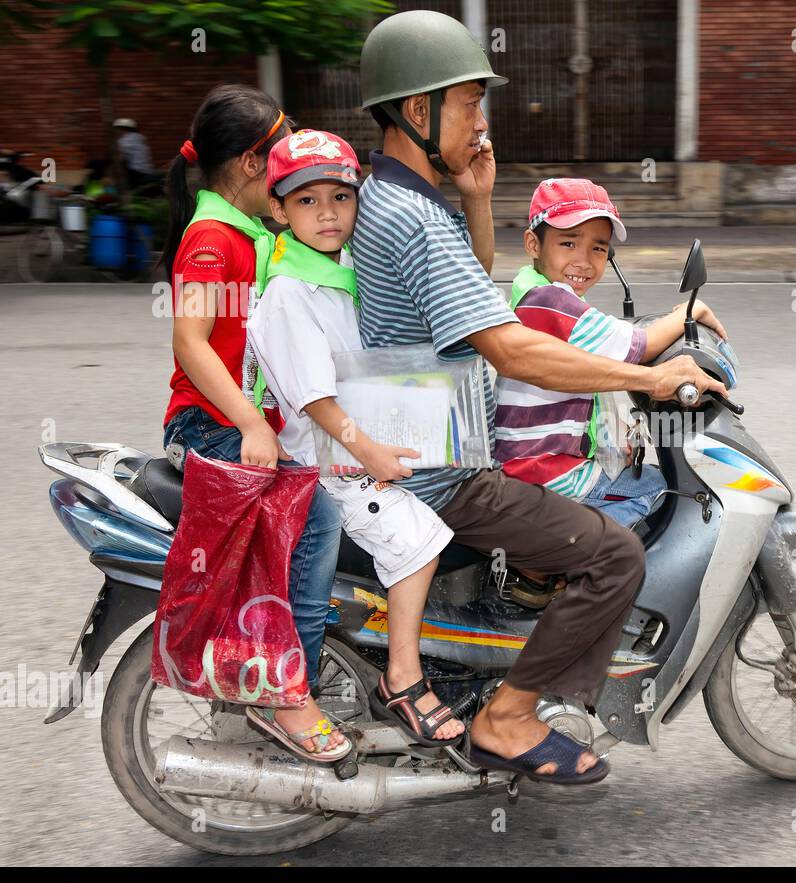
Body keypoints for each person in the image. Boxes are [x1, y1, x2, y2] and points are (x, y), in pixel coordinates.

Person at [352, 10, 725, 785]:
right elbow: (514, 345)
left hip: (416, 442)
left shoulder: (392, 197)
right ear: (419, 112)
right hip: (439, 469)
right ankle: (511, 718)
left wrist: (478, 198)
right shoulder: (412, 218)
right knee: (613, 555)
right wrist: (651, 378)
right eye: (470, 105)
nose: (482, 124)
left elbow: (469, 290)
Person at [247, 128, 465, 745]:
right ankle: (404, 677)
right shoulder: (292, 292)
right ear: (279, 210)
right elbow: (314, 397)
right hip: (325, 463)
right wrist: (368, 451)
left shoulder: (339, 274)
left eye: (339, 198)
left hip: (353, 448)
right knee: (419, 541)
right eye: (307, 201)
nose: (326, 213)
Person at [160, 85, 349, 762]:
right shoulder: (212, 239)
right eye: (280, 152)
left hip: (238, 420)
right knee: (317, 517)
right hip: (210, 425)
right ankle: (286, 691)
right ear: (249, 163)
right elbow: (191, 341)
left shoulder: (250, 231)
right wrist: (252, 425)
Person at [495, 177, 728, 532]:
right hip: (545, 470)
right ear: (533, 243)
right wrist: (690, 312)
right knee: (654, 488)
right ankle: (579, 558)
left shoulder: (532, 289)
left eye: (598, 249)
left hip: (531, 459)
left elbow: (586, 390)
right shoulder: (550, 303)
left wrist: (614, 444)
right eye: (569, 242)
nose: (584, 261)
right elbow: (642, 346)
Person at [113, 118, 162, 193]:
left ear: (122, 129)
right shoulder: (140, 137)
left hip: (137, 172)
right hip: (148, 170)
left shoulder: (123, 141)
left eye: (117, 129)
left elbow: (119, 158)